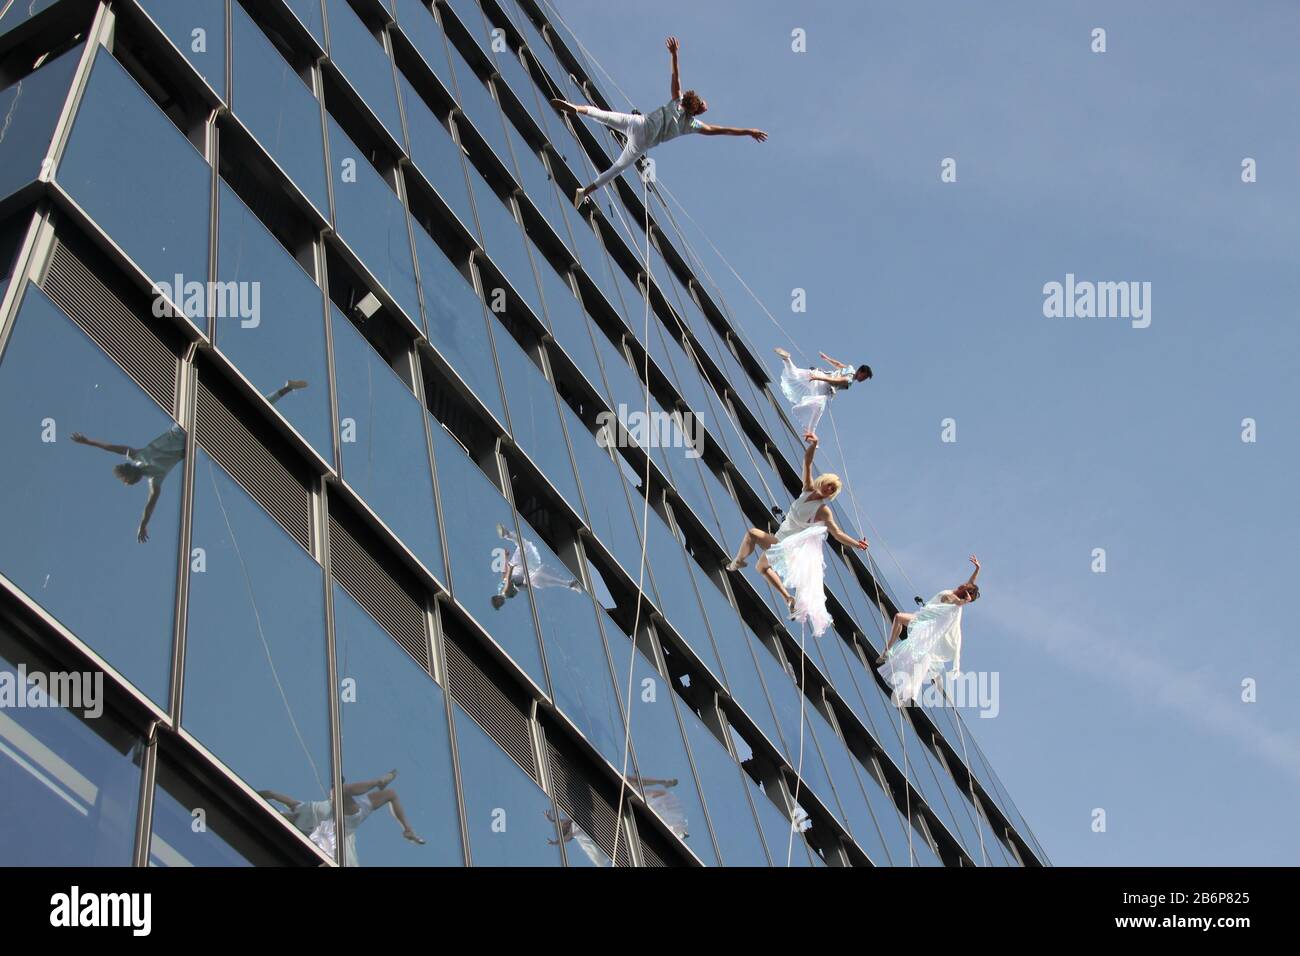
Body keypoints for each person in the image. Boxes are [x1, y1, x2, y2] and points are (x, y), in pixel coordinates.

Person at [71, 379, 309, 542]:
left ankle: (284, 390)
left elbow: (149, 505)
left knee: (245, 417)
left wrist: (143, 524)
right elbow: (113, 448)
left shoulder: (154, 477)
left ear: (134, 478)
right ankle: (283, 389)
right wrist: (87, 441)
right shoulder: (139, 455)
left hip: (196, 435)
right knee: (240, 412)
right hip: (186, 425)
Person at [551, 36, 767, 207]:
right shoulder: (692, 125)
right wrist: (748, 131)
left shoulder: (678, 100)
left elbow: (676, 76)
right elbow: (722, 130)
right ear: (697, 111)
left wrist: (674, 54)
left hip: (638, 123)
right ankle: (584, 192)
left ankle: (575, 109)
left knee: (602, 115)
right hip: (643, 142)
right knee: (616, 169)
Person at [726, 436, 868, 634]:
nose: (829, 489)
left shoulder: (823, 510)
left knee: (753, 534)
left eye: (833, 490)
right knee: (761, 567)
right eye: (829, 485)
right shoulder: (807, 490)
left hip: (788, 545)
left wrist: (857, 544)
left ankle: (738, 562)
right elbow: (807, 462)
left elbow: (836, 533)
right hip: (780, 538)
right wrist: (814, 445)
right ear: (823, 482)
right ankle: (788, 599)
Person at [259, 769, 425, 867]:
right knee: (343, 790)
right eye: (285, 817)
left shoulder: (298, 808)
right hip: (345, 820)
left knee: (391, 794)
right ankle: (378, 782)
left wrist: (257, 795)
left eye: (284, 815)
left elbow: (273, 794)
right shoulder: (304, 824)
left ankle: (408, 830)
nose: (285, 815)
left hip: (348, 812)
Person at [875, 556, 981, 705]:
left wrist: (966, 601)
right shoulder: (957, 591)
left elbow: (961, 600)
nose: (964, 583)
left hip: (925, 624)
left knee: (902, 622)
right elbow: (971, 583)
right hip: (922, 617)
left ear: (964, 591)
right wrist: (977, 569)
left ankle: (890, 654)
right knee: (899, 619)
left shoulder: (953, 599)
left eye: (965, 586)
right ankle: (887, 651)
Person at [775, 348, 872, 442]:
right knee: (818, 407)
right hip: (822, 383)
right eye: (864, 376)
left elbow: (837, 364)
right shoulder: (849, 381)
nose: (863, 379)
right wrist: (818, 378)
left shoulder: (850, 368)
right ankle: (810, 433)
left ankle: (787, 359)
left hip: (818, 373)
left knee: (795, 374)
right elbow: (834, 380)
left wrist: (826, 358)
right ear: (860, 371)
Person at [491, 524, 582, 609]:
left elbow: (507, 580)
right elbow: (505, 576)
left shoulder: (504, 593)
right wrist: (505, 559)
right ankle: (569, 584)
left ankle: (569, 584)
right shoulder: (504, 592)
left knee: (525, 547)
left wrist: (509, 566)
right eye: (500, 605)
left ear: (496, 599)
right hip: (523, 573)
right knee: (526, 549)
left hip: (517, 571)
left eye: (498, 603)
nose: (501, 604)